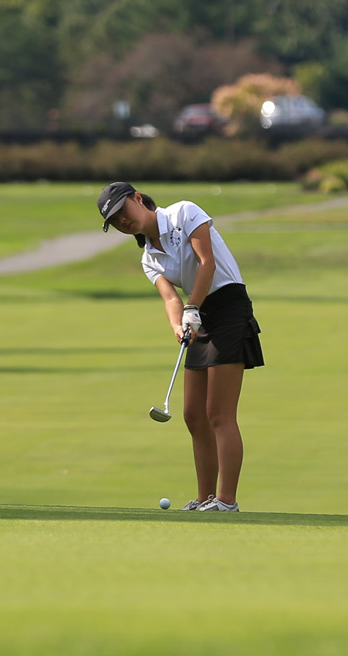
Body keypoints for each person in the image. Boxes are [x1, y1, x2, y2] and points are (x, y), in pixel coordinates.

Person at [97, 180, 263, 512]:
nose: (122, 222)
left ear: (138, 198)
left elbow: (207, 263)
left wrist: (192, 307)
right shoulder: (149, 258)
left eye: (122, 212)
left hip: (229, 307)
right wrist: (178, 325)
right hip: (198, 315)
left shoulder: (183, 213)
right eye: (114, 221)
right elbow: (170, 298)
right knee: (193, 415)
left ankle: (226, 501)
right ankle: (205, 498)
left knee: (218, 412)